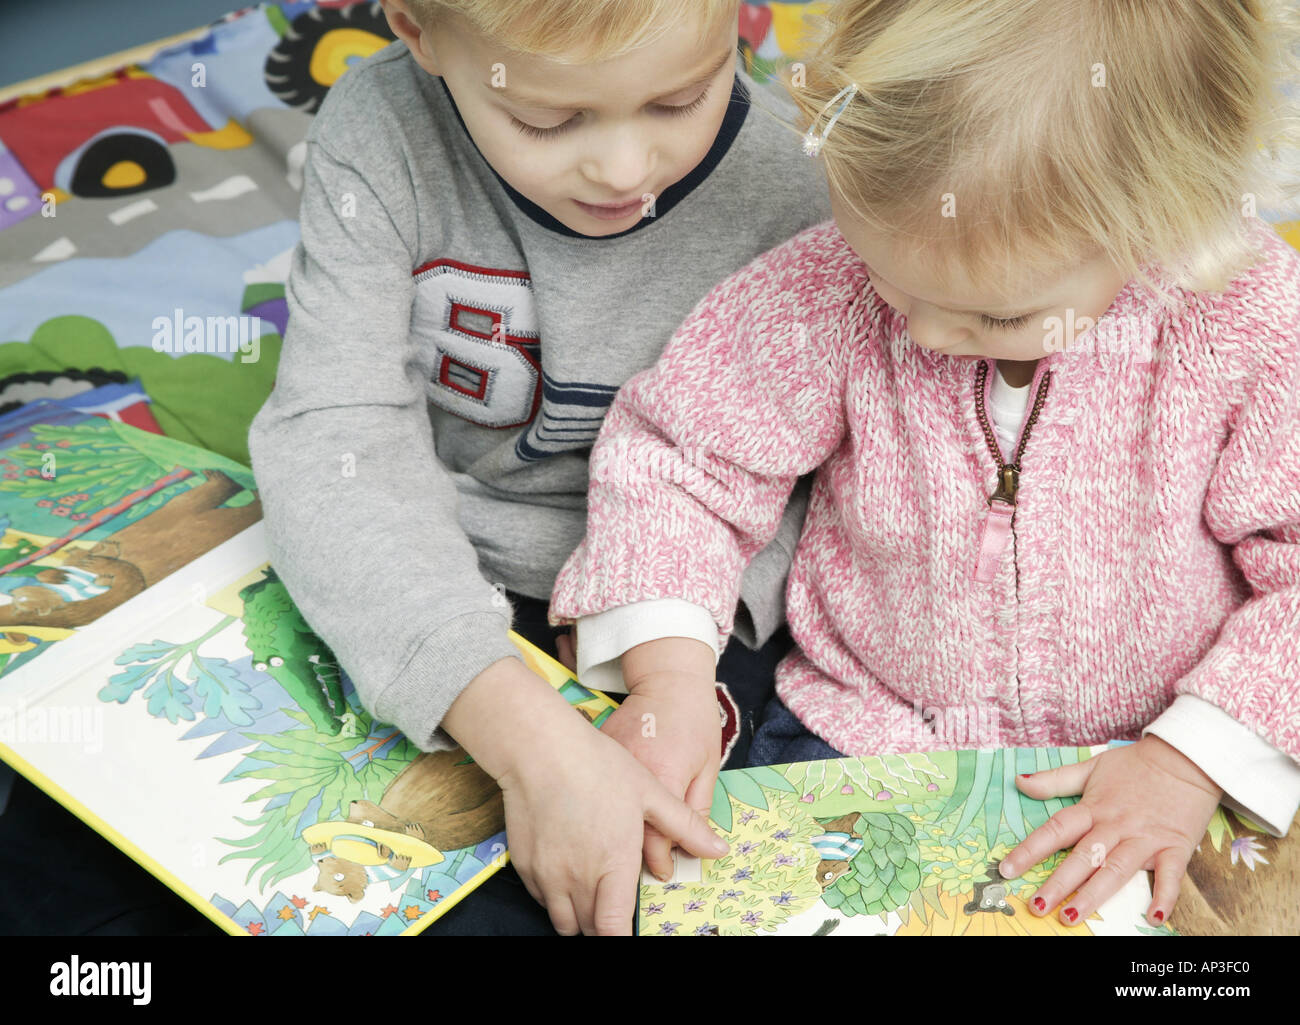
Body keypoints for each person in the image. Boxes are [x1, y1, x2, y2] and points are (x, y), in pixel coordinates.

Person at [549, 0, 1300, 928]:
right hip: (862, 733)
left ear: (1163, 218)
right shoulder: (827, 287)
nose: (928, 335)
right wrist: (668, 679)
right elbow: (680, 459)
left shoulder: (1242, 323)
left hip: (1160, 758)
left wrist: (1191, 757)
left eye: (995, 318)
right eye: (892, 285)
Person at [247, 0, 832, 935]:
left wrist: (663, 666)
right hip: (433, 564)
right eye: (548, 121)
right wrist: (526, 740)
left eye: (680, 100)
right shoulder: (381, 128)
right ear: (417, 29)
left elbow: (816, 475)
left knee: (669, 884)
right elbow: (336, 437)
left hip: (696, 602)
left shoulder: (799, 179)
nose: (623, 168)